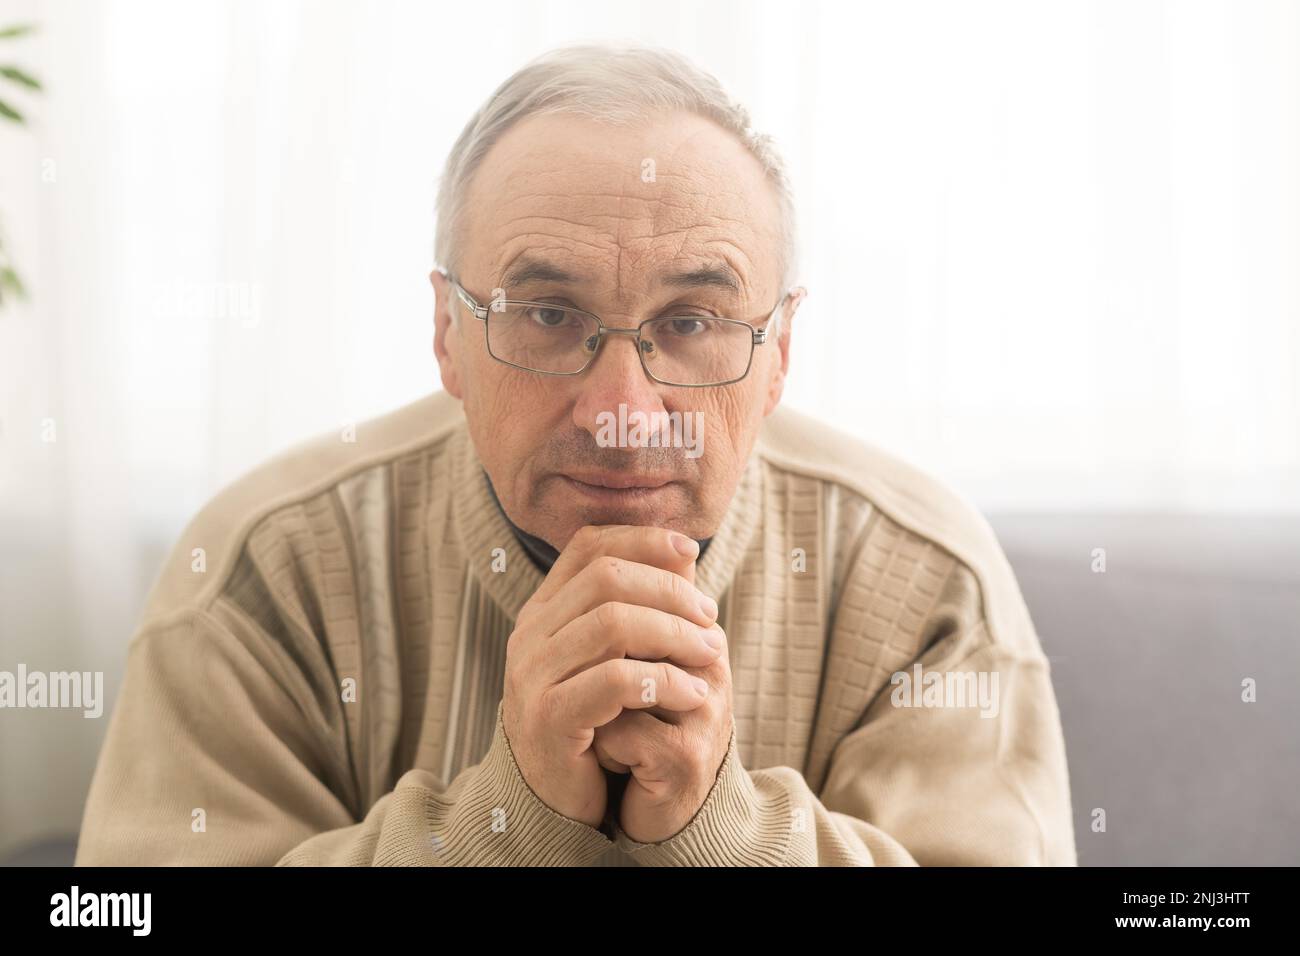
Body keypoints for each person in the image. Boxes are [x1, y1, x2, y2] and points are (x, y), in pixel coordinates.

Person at [75, 42, 1076, 866]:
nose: (624, 410)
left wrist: (724, 833)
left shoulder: (925, 587)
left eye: (691, 320)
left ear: (779, 355)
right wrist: (500, 822)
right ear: (445, 335)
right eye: (549, 313)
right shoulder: (262, 575)